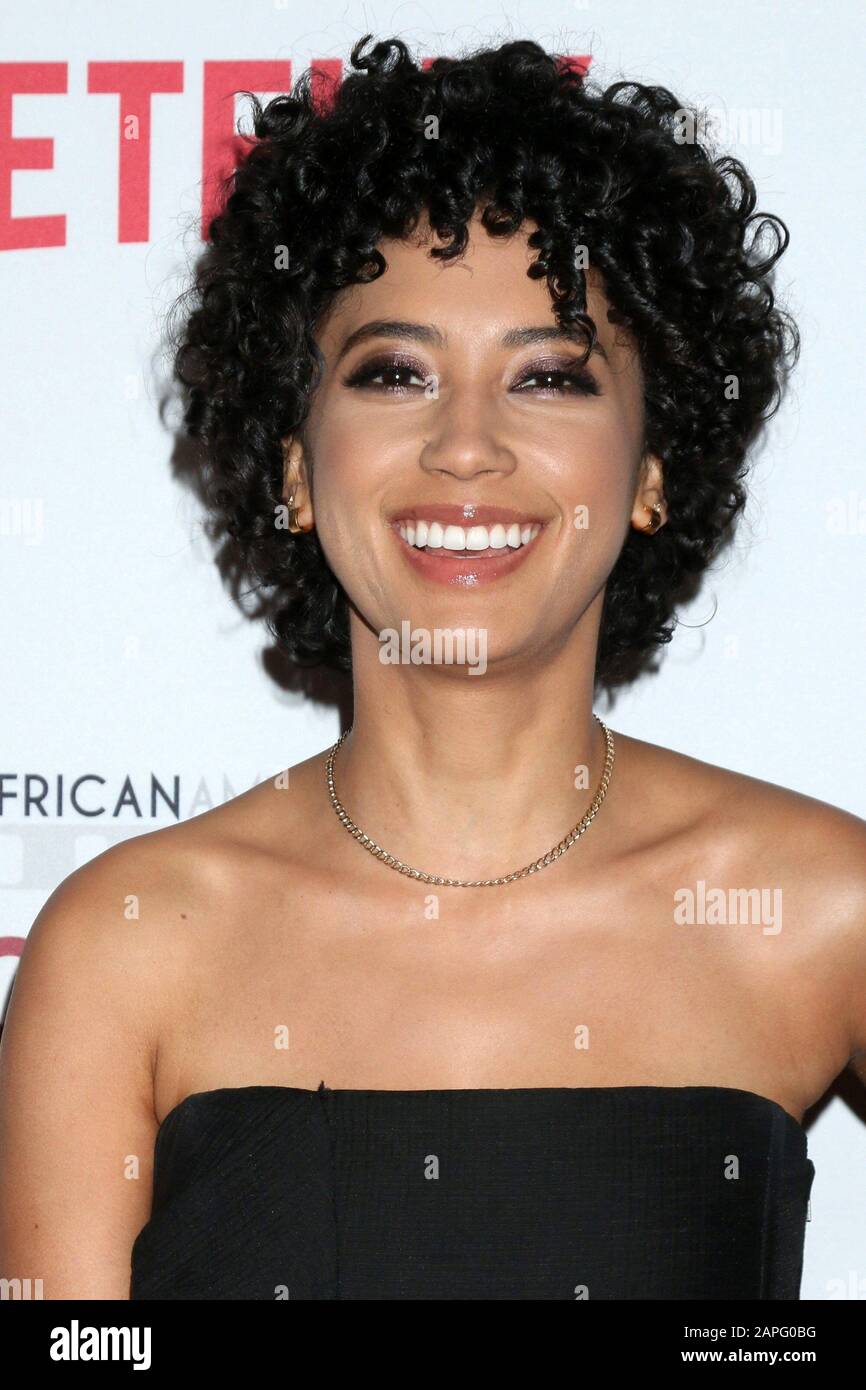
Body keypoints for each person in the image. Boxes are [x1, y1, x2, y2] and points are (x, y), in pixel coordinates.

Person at [1, 33, 864, 1302]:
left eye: (551, 377)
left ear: (654, 467)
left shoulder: (821, 912)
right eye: (394, 372)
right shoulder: (128, 947)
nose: (467, 446)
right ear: (296, 463)